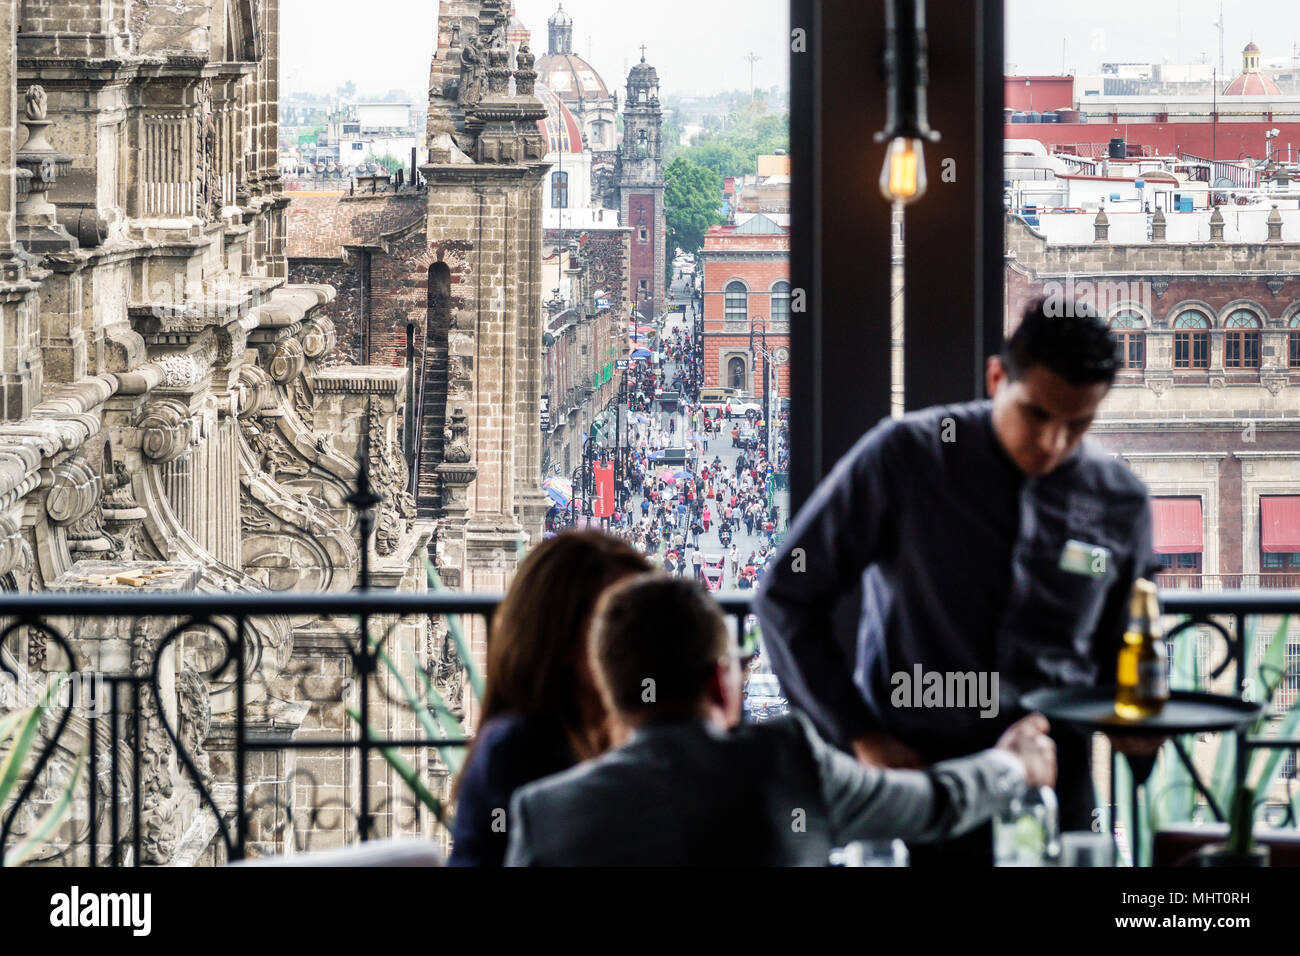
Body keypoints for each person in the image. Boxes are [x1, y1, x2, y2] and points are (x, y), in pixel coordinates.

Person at [754, 298, 1155, 866]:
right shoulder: (908, 457)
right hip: (918, 779)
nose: (1052, 444)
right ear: (997, 378)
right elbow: (785, 595)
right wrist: (860, 737)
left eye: (1078, 424)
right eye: (1037, 414)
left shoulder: (1119, 501)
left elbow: (1122, 647)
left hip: (1053, 785)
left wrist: (1133, 724)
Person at [504, 575, 1055, 866]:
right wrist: (1012, 761)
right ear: (722, 681)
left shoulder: (545, 815)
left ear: (611, 692)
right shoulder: (785, 760)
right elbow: (934, 804)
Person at [449, 532, 652, 866]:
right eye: (618, 621)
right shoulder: (522, 749)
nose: (640, 639)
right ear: (561, 636)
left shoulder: (599, 728)